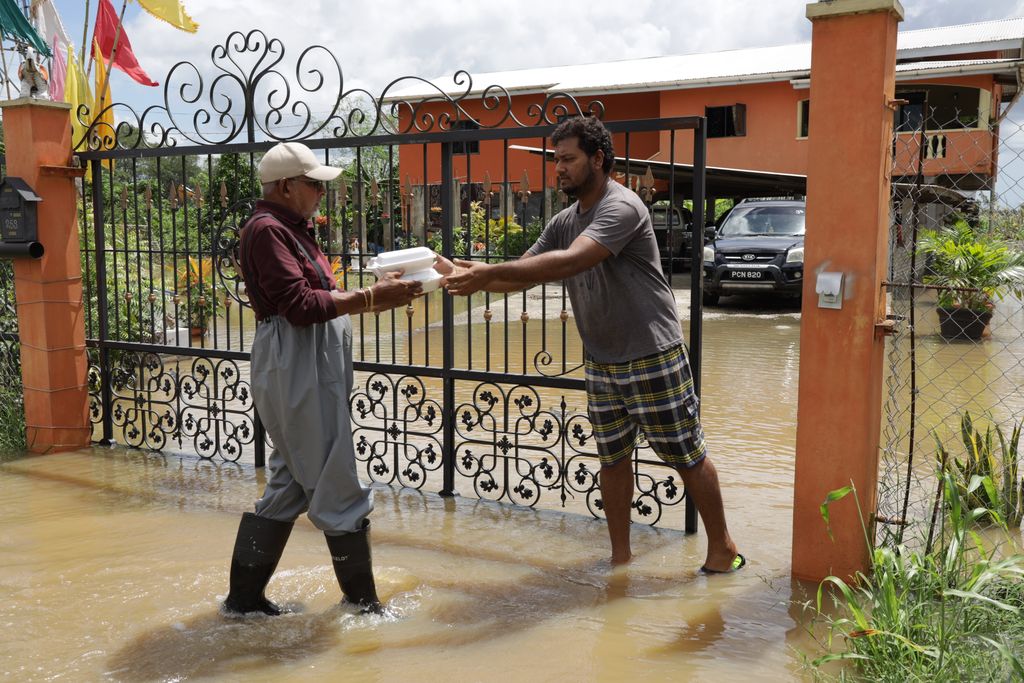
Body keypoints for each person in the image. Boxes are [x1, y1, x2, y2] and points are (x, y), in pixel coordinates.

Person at [444, 117, 743, 573]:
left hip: (651, 352)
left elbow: (570, 261)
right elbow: (519, 271)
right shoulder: (565, 220)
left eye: (568, 159)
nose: (558, 169)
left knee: (686, 454)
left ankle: (723, 548)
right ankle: (620, 557)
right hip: (603, 360)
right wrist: (458, 269)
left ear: (598, 159)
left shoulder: (623, 206)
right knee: (612, 459)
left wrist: (483, 274)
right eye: (556, 160)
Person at [224, 141, 422, 616]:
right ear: (286, 186)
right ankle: (364, 609)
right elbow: (300, 306)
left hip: (307, 360)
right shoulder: (267, 230)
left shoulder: (290, 228)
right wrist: (374, 297)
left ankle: (243, 605)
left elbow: (320, 292)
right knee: (336, 478)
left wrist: (376, 286)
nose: (319, 192)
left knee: (288, 485)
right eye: (314, 184)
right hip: (298, 360)